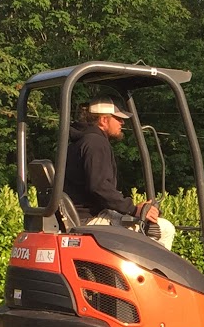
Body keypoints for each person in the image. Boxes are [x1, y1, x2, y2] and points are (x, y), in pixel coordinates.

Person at [63, 100, 176, 250]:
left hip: (80, 215)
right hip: (89, 219)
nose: (122, 122)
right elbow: (100, 187)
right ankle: (151, 273)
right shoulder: (96, 143)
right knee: (165, 229)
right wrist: (134, 210)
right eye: (118, 118)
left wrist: (131, 208)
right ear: (104, 120)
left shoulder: (79, 142)